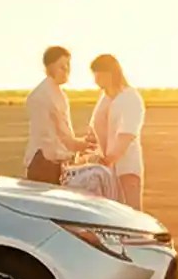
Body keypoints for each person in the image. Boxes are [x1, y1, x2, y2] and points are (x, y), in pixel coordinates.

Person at [23, 45, 90, 183]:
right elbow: (54, 137)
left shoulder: (58, 94)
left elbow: (65, 136)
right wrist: (82, 145)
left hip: (55, 163)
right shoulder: (42, 96)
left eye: (68, 67)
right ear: (49, 67)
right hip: (45, 164)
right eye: (62, 67)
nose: (67, 71)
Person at [87, 54, 146, 210]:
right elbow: (94, 128)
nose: (95, 79)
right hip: (106, 170)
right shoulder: (105, 98)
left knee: (131, 213)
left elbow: (126, 135)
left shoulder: (130, 97)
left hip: (126, 167)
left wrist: (108, 159)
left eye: (98, 74)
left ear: (109, 73)